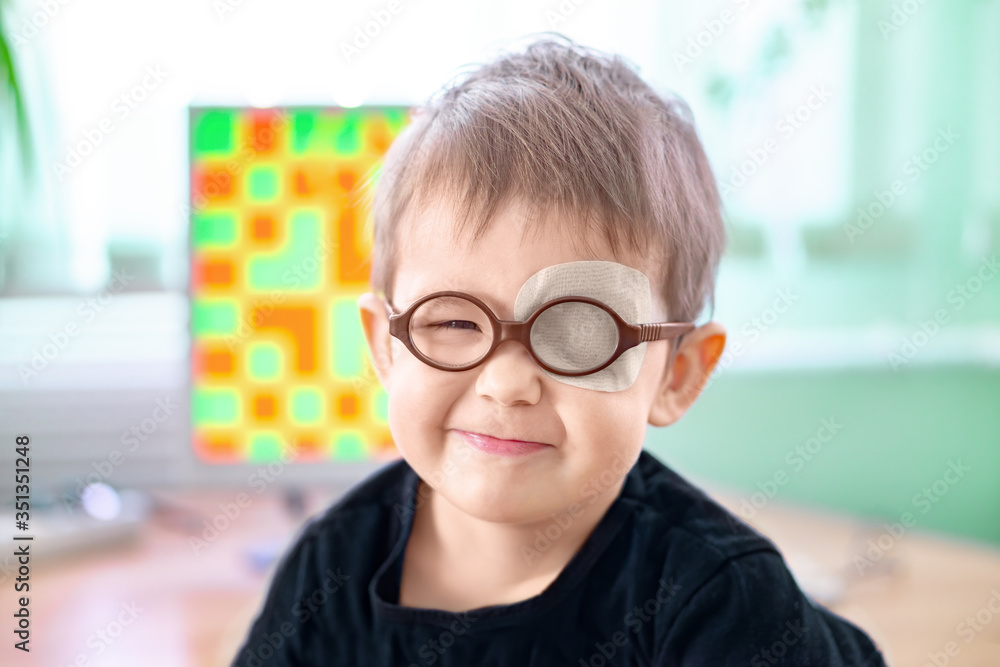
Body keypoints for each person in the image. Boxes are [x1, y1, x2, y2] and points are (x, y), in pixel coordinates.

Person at [232, 34, 887, 666]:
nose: (506, 382)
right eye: (455, 323)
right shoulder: (333, 562)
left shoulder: (722, 605)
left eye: (580, 333)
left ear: (677, 374)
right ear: (385, 345)